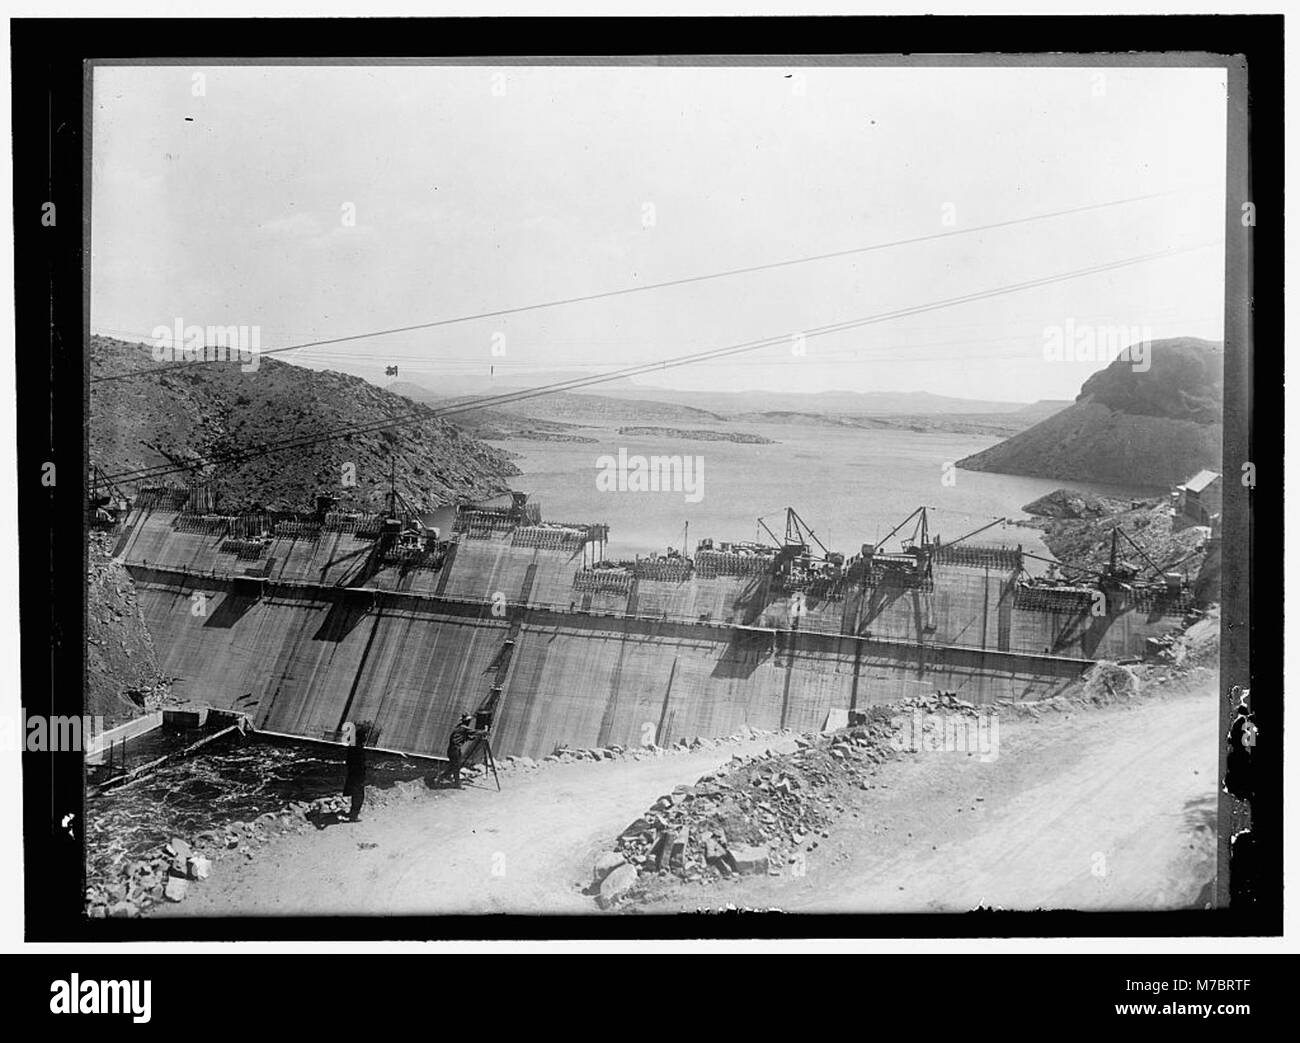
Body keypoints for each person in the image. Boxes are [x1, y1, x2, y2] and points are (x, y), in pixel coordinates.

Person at [445, 712, 484, 788]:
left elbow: (464, 736)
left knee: (454, 766)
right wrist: (484, 732)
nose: (469, 722)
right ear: (466, 721)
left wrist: (470, 738)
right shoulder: (464, 728)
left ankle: (442, 777)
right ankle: (456, 784)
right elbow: (474, 732)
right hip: (455, 750)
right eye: (468, 720)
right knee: (456, 767)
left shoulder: (459, 727)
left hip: (453, 749)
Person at [342, 721, 368, 821]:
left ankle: (352, 814)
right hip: (358, 775)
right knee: (359, 795)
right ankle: (353, 816)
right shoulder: (358, 748)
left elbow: (348, 762)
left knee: (355, 793)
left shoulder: (352, 746)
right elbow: (360, 763)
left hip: (352, 773)